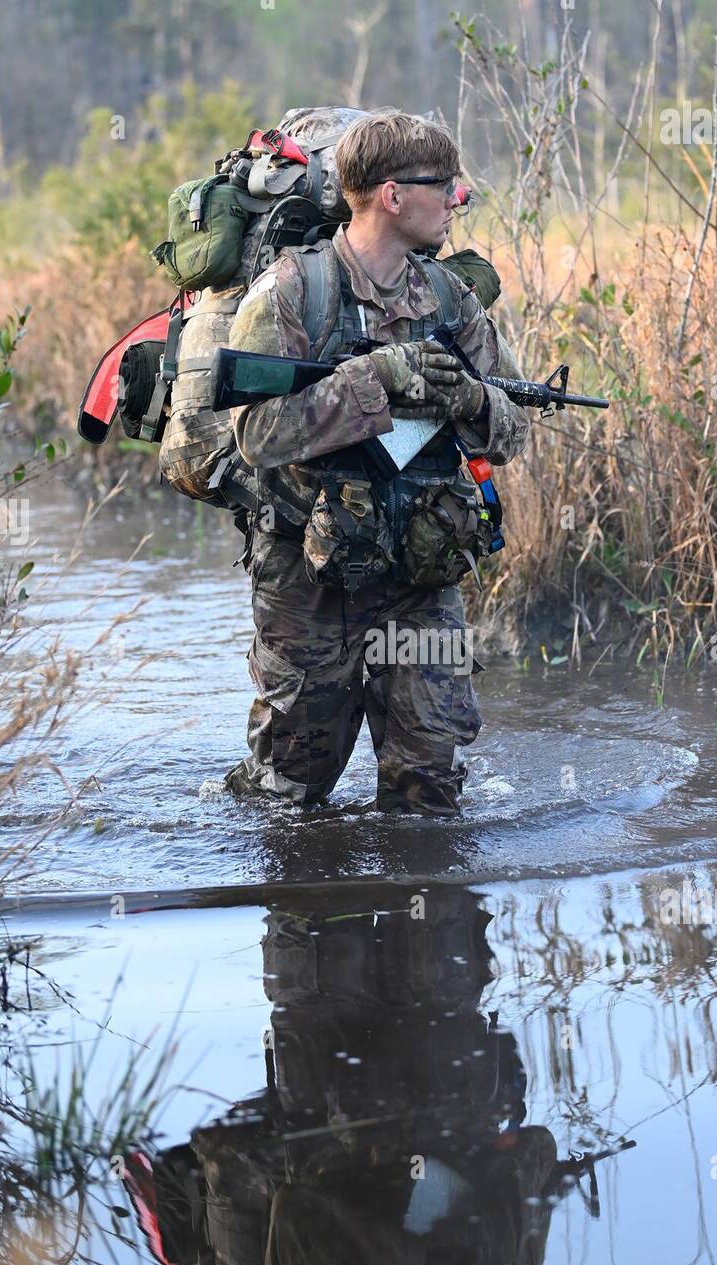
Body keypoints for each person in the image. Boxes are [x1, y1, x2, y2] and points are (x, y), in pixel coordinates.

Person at [223, 109, 531, 815]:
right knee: (292, 793)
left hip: (422, 574)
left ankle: (425, 915)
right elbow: (258, 435)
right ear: (392, 195)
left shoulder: (451, 298)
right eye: (442, 184)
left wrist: (473, 399)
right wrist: (376, 380)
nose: (457, 199)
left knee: (429, 791)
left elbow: (511, 434)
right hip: (310, 580)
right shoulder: (292, 293)